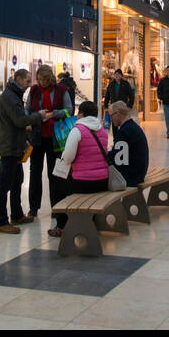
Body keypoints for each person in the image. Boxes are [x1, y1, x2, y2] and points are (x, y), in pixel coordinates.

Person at [0, 69, 52, 233]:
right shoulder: (10, 97)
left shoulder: (13, 94)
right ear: (18, 79)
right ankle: (0, 220)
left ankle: (17, 214)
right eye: (27, 81)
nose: (29, 85)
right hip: (9, 146)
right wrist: (38, 115)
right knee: (5, 183)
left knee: (17, 180)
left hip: (15, 145)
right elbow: (19, 120)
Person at [50, 100, 111, 237]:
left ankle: (61, 225)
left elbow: (68, 157)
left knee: (58, 187)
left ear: (81, 114)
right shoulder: (102, 130)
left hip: (83, 183)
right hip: (102, 181)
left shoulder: (77, 130)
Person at [25, 64, 72, 219]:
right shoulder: (34, 90)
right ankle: (33, 207)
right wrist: (30, 120)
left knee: (55, 173)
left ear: (49, 78)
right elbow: (27, 109)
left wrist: (53, 114)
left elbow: (69, 110)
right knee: (35, 172)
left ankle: (56, 207)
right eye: (38, 79)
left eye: (44, 79)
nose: (41, 82)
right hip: (37, 136)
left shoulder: (61, 90)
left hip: (55, 137)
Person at [108, 100, 149, 188]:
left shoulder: (124, 131)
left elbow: (117, 158)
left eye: (111, 116)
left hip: (131, 177)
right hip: (139, 172)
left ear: (118, 114)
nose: (111, 119)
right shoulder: (132, 127)